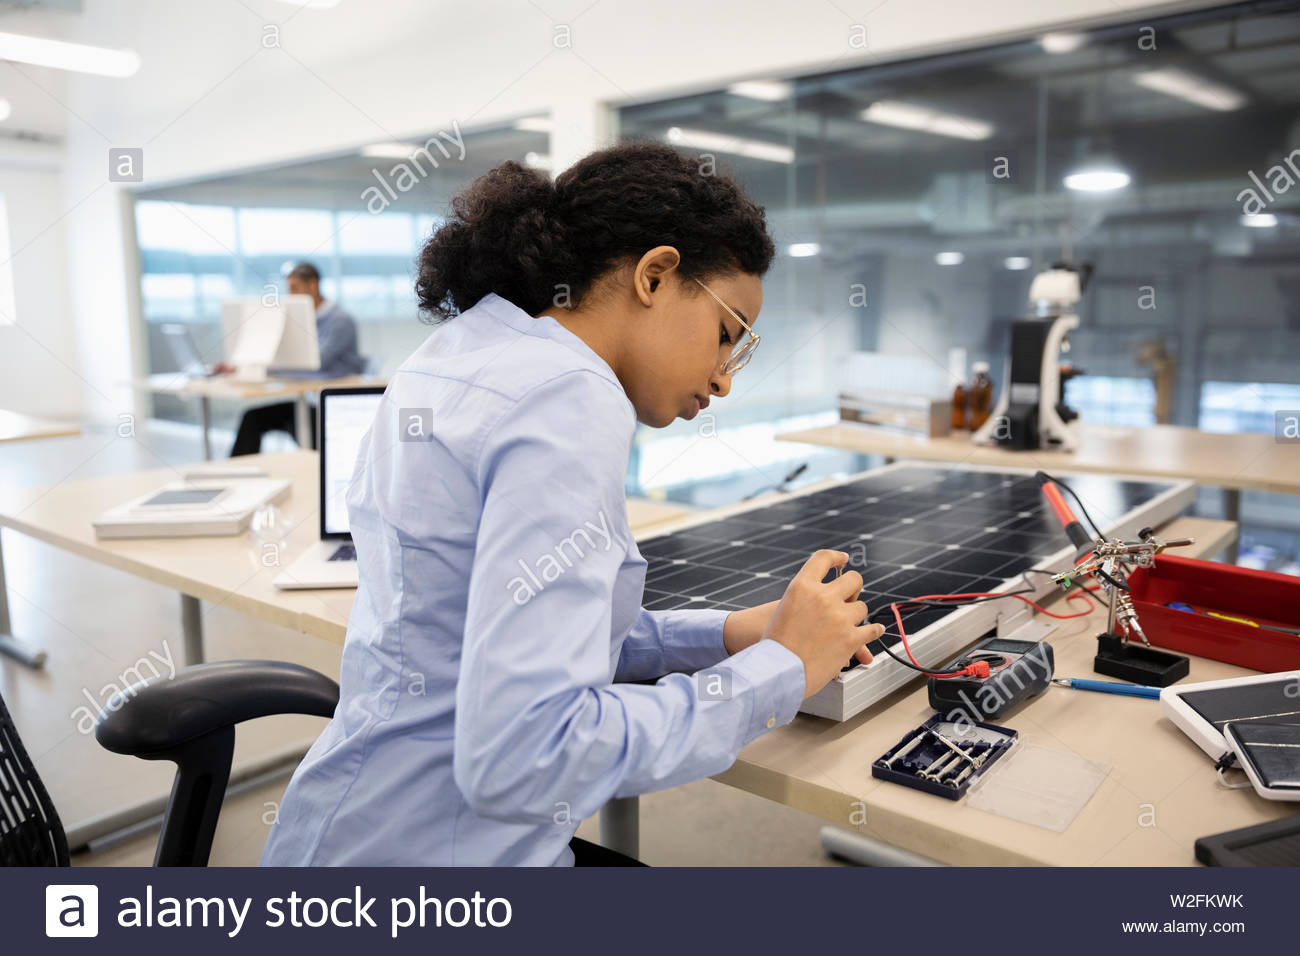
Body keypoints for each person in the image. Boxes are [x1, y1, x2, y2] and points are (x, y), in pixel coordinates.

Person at [259, 143, 885, 867]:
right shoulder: (567, 397)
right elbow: (525, 755)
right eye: (726, 334)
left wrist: (725, 635)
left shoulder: (473, 347)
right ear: (655, 274)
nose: (723, 380)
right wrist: (780, 670)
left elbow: (526, 627)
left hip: (350, 829)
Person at [225, 262, 366, 456]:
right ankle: (240, 478)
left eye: (294, 288)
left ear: (313, 286)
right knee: (252, 418)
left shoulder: (340, 321)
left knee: (302, 433)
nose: (290, 296)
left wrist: (270, 369)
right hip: (306, 402)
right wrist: (251, 364)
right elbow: (289, 358)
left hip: (329, 409)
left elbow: (316, 364)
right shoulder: (301, 319)